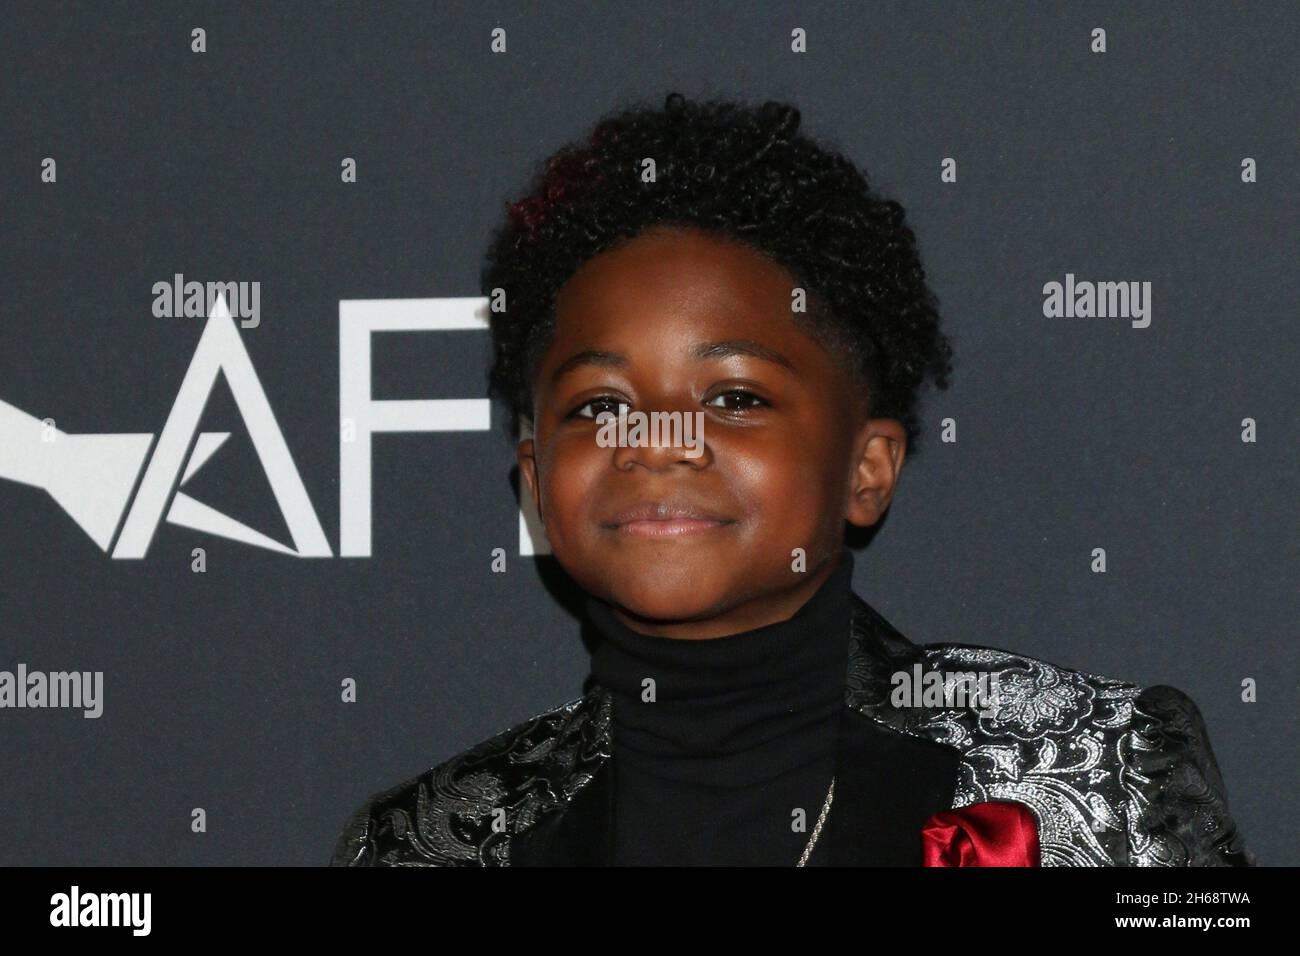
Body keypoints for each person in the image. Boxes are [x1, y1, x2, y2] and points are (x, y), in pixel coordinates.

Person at [330, 92, 1253, 867]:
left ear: (866, 469)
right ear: (536, 477)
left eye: (732, 396)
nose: (659, 440)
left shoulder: (1106, 769)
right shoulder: (422, 843)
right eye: (599, 405)